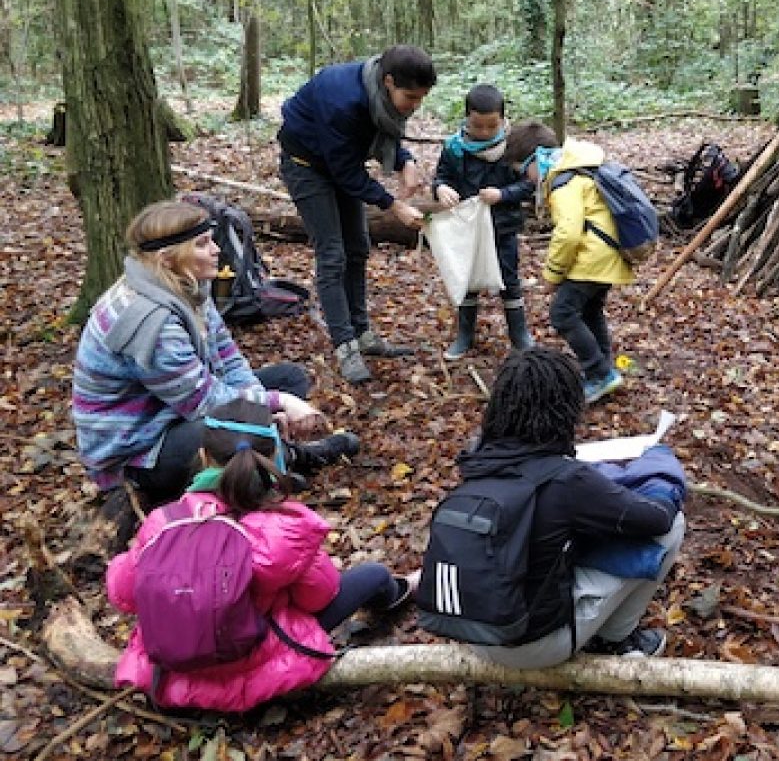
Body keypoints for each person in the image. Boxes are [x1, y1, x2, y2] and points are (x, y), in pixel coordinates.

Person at [106, 399, 417, 711]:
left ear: (203, 457)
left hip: (175, 670)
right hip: (257, 667)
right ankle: (400, 592)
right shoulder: (280, 527)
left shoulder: (163, 521)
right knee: (373, 575)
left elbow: (123, 590)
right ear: (274, 456)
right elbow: (319, 596)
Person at [73, 201, 360, 517]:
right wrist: (271, 407)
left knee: (290, 378)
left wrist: (262, 410)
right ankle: (273, 464)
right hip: (138, 453)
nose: (215, 250)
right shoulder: (149, 321)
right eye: (202, 244)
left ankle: (272, 458)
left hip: (170, 413)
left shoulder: (186, 286)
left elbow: (228, 358)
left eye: (211, 239)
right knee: (242, 416)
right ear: (167, 258)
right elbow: (203, 401)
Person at [456, 348, 683, 668]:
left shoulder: (476, 460)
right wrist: (660, 463)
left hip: (471, 631)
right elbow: (656, 519)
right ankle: (616, 639)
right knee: (674, 525)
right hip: (531, 647)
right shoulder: (566, 479)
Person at [277, 44, 436, 383]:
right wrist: (393, 205)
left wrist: (405, 160)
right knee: (332, 254)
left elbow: (381, 132)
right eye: (411, 97)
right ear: (389, 81)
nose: (415, 105)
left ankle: (362, 333)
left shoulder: (378, 93)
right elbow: (346, 172)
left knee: (358, 247)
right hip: (306, 165)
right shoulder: (343, 101)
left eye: (422, 98)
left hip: (337, 162)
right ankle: (344, 345)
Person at [433, 86, 541, 359]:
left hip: (503, 225)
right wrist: (441, 189)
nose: (483, 132)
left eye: (491, 126)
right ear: (467, 118)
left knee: (509, 279)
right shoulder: (454, 148)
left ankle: (519, 335)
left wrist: (503, 194)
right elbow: (441, 176)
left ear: (503, 119)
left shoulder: (514, 146)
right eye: (477, 125)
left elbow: (529, 183)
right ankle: (465, 335)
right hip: (467, 228)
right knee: (468, 278)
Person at [535, 137, 632, 404]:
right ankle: (604, 370)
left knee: (562, 313)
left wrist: (552, 274)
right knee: (590, 310)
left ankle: (600, 374)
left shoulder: (564, 183)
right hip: (609, 255)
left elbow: (568, 234)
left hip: (592, 259)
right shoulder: (584, 173)